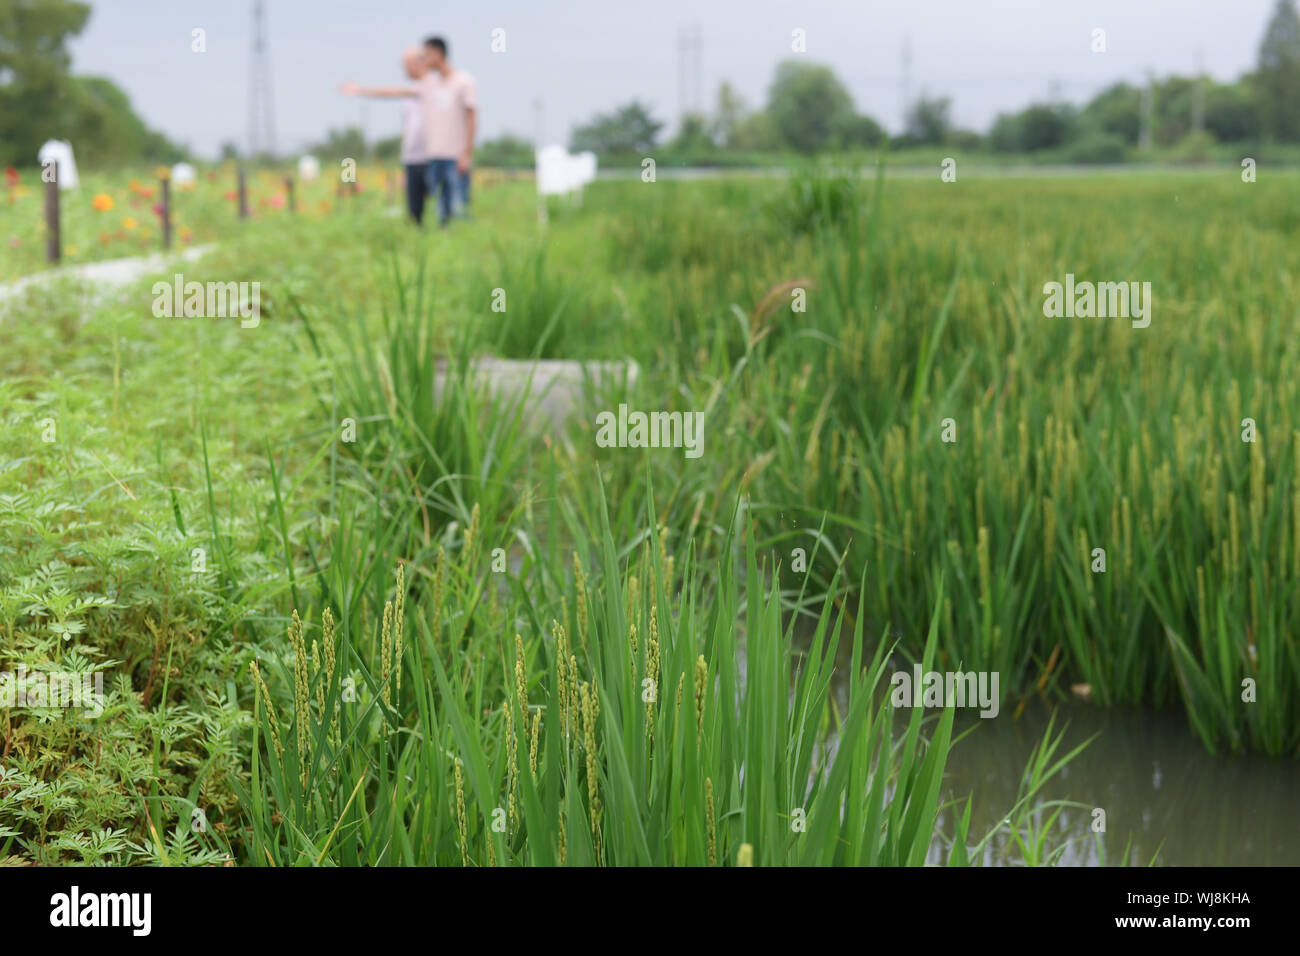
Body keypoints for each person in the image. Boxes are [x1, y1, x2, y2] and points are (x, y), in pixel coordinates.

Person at [339, 48, 435, 224]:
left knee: (438, 208)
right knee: (415, 210)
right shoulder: (416, 88)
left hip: (430, 157)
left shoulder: (431, 85)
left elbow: (392, 92)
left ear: (419, 64)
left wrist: (361, 90)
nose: (404, 70)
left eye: (406, 65)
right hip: (413, 157)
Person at [421, 36, 477, 225]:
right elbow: (397, 91)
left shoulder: (464, 81)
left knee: (457, 208)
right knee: (439, 212)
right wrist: (361, 90)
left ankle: (463, 248)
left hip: (455, 157)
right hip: (434, 155)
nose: (423, 60)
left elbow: (471, 118)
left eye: (426, 55)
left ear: (438, 54)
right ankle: (444, 247)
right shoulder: (429, 83)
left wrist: (466, 153)